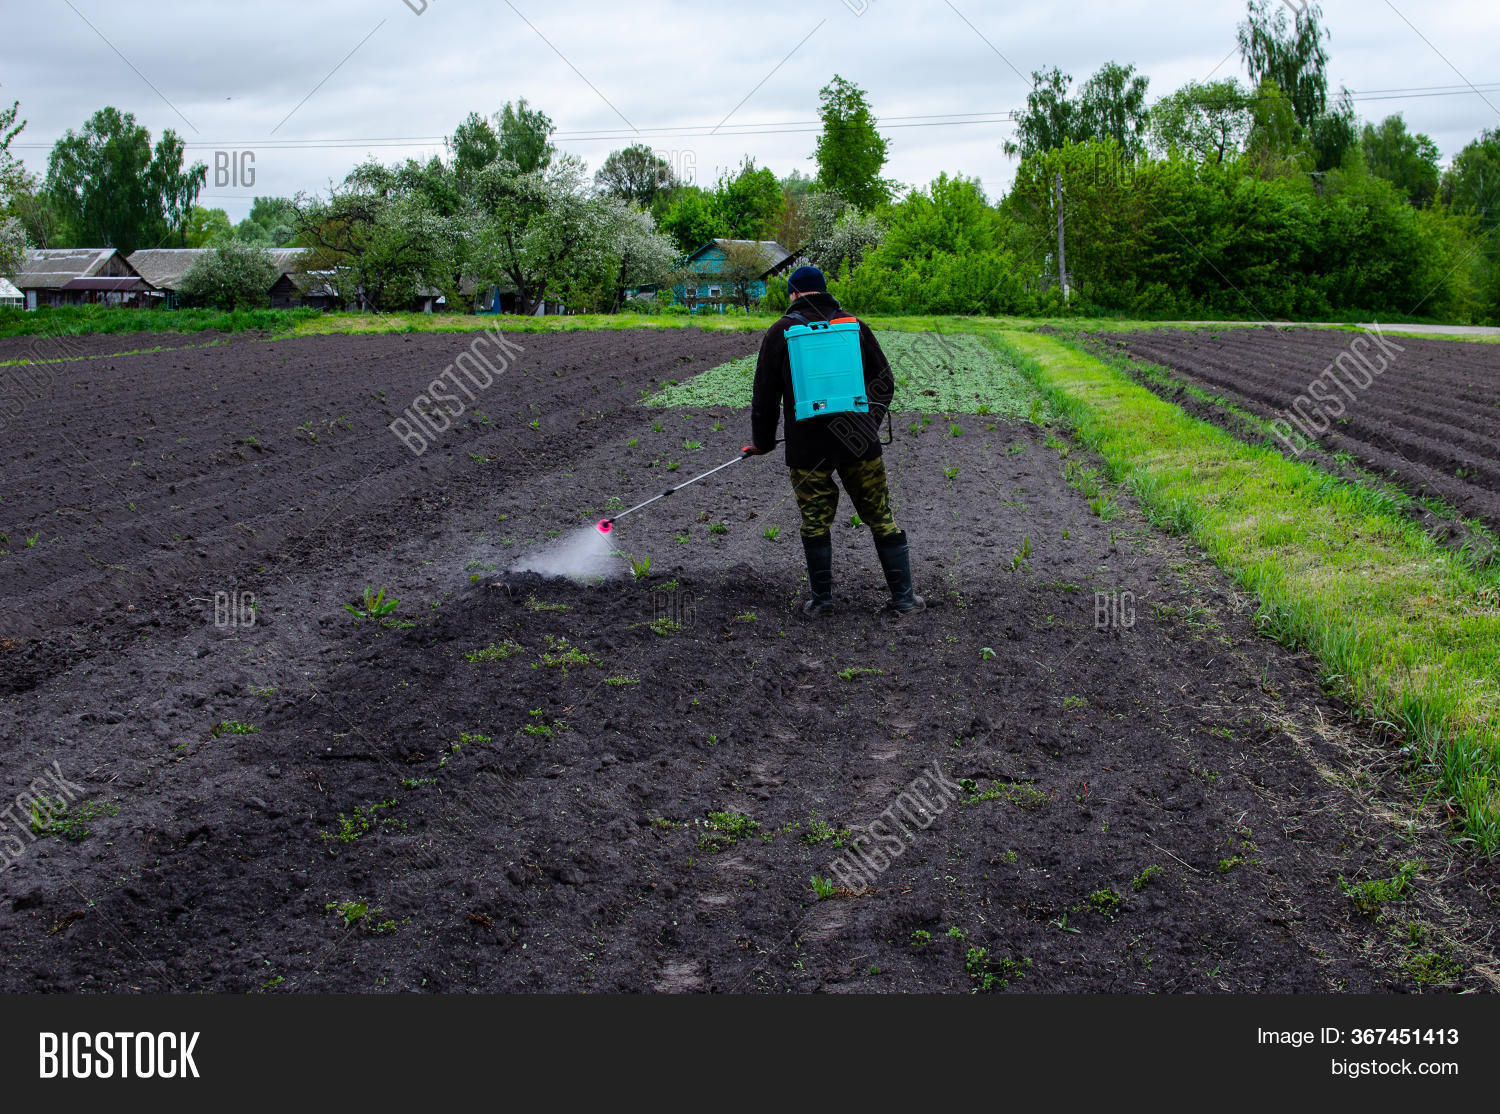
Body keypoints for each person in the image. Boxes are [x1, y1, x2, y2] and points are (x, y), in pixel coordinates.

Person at [746, 265, 923, 617]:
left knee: (815, 520)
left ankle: (822, 602)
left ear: (794, 294)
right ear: (824, 291)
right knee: (881, 516)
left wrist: (763, 442)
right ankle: (904, 599)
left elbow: (765, 397)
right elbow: (884, 381)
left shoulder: (781, 332)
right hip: (858, 442)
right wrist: (867, 423)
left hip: (807, 447)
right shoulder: (853, 325)